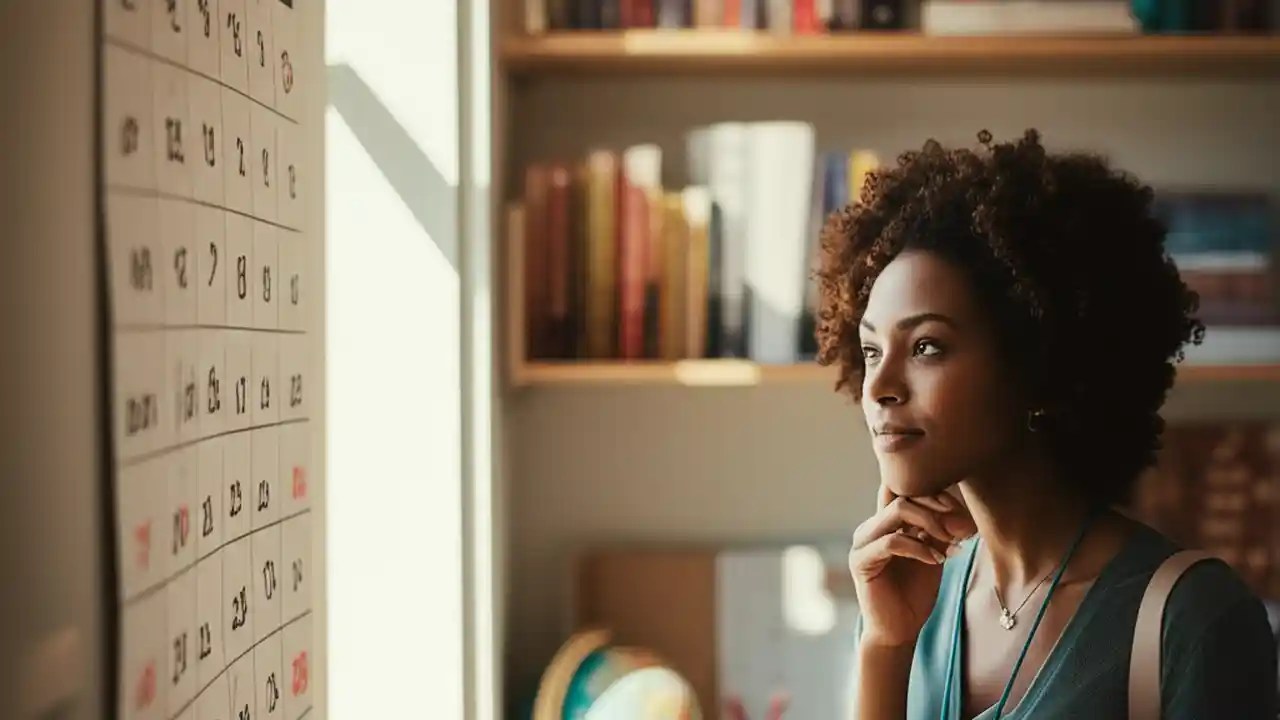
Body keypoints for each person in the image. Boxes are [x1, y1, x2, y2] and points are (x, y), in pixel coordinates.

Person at [813, 129, 1278, 719]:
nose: (878, 389)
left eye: (927, 347)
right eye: (873, 350)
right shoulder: (907, 595)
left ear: (1034, 362)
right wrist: (886, 646)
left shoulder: (1191, 620)